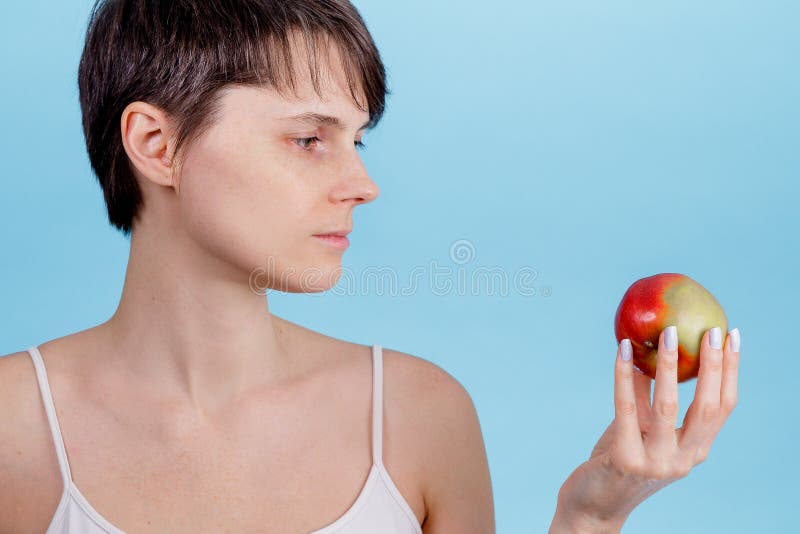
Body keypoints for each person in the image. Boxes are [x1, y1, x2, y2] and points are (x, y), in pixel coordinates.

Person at [0, 1, 740, 533]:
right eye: (308, 139)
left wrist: (591, 515)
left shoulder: (420, 416)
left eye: (359, 140)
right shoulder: (14, 432)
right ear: (156, 146)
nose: (363, 183)